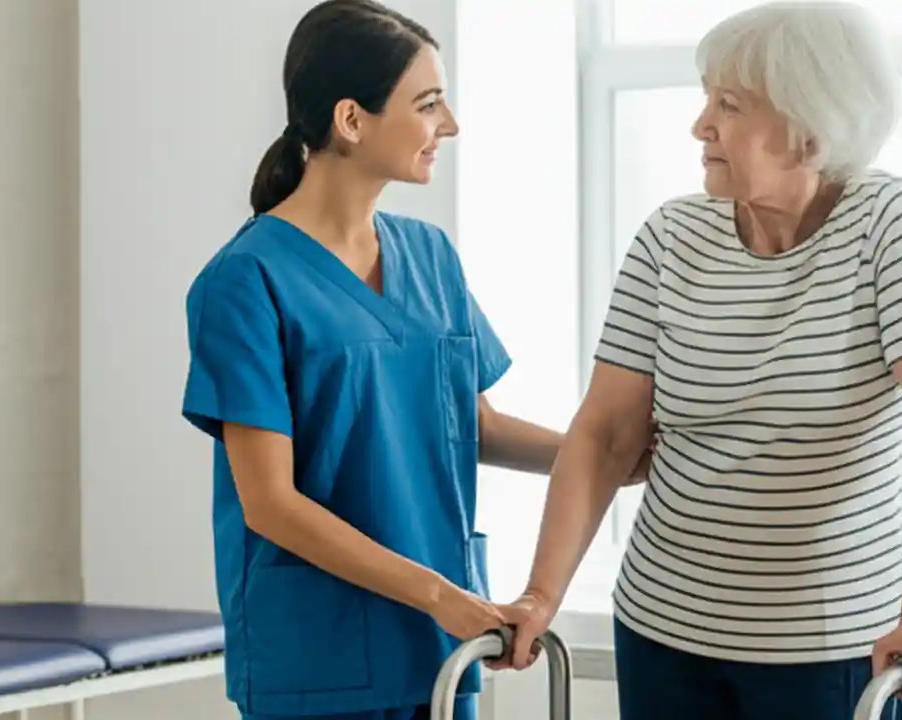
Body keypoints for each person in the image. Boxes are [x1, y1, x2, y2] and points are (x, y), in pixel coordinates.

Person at [500, 3, 902, 719]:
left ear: (812, 131)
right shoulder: (671, 238)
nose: (701, 125)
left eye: (728, 105)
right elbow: (604, 435)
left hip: (829, 647)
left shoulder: (890, 223)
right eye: (707, 99)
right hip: (663, 630)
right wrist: (542, 594)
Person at [180, 2, 635, 718]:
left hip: (438, 650)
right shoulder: (245, 280)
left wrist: (604, 455)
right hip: (317, 656)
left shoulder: (431, 255)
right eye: (427, 104)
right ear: (351, 120)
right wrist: (438, 594)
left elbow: (470, 423)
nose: (448, 124)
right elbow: (269, 504)